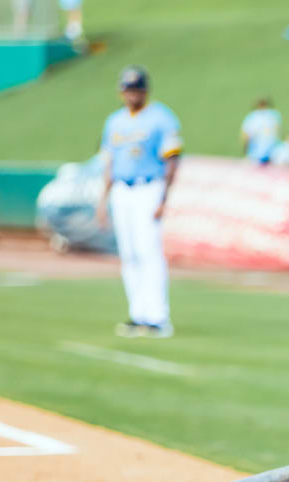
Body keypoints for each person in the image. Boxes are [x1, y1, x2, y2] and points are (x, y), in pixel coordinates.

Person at [98, 66, 182, 339]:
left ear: (146, 90)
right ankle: (138, 314)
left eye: (136, 89)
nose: (132, 94)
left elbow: (172, 160)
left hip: (149, 187)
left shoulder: (161, 118)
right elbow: (109, 162)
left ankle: (158, 317)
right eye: (127, 89)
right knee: (129, 254)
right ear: (120, 92)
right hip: (122, 189)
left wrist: (164, 198)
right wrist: (103, 199)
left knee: (149, 252)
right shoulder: (114, 121)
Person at [240, 99, 281, 166]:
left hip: (264, 152)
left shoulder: (254, 117)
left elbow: (246, 135)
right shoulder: (273, 115)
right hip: (260, 152)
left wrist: (245, 149)